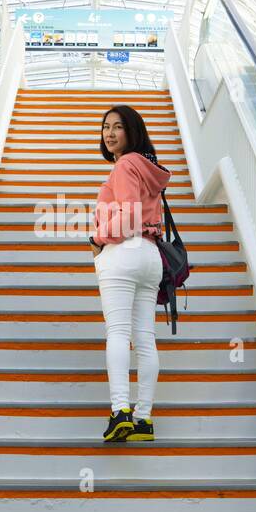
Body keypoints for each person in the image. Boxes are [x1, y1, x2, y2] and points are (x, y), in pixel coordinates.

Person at [89, 104, 173, 443]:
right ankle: (143, 419)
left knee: (118, 332)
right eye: (106, 127)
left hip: (123, 253)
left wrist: (96, 238)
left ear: (132, 131)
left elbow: (129, 216)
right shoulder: (148, 168)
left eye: (118, 127)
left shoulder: (125, 165)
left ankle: (120, 410)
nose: (109, 133)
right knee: (145, 336)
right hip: (151, 255)